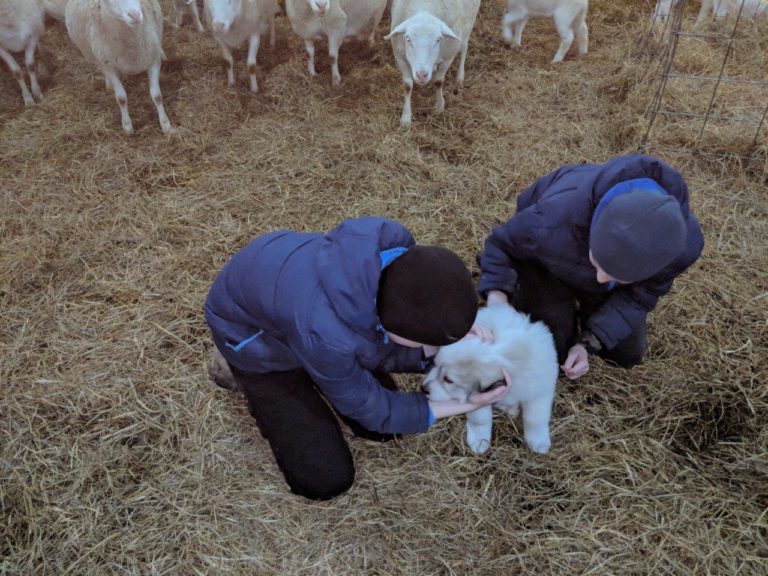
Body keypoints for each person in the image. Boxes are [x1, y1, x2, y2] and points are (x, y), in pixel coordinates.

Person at [204, 217, 510, 500]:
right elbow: (372, 408)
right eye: (422, 339)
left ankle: (323, 370)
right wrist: (466, 403)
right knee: (325, 479)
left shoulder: (396, 255)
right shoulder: (328, 335)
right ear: (391, 325)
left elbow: (399, 332)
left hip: (297, 306)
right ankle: (239, 370)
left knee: (386, 430)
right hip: (256, 339)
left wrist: (450, 332)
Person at [478, 154, 704, 380]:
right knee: (552, 350)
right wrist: (498, 298)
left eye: (619, 277)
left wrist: (587, 344)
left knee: (627, 355)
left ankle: (583, 310)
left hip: (578, 256)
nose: (601, 278)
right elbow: (501, 244)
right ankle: (548, 302)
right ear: (592, 234)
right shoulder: (552, 219)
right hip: (548, 261)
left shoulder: (680, 250)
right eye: (598, 263)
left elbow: (639, 297)